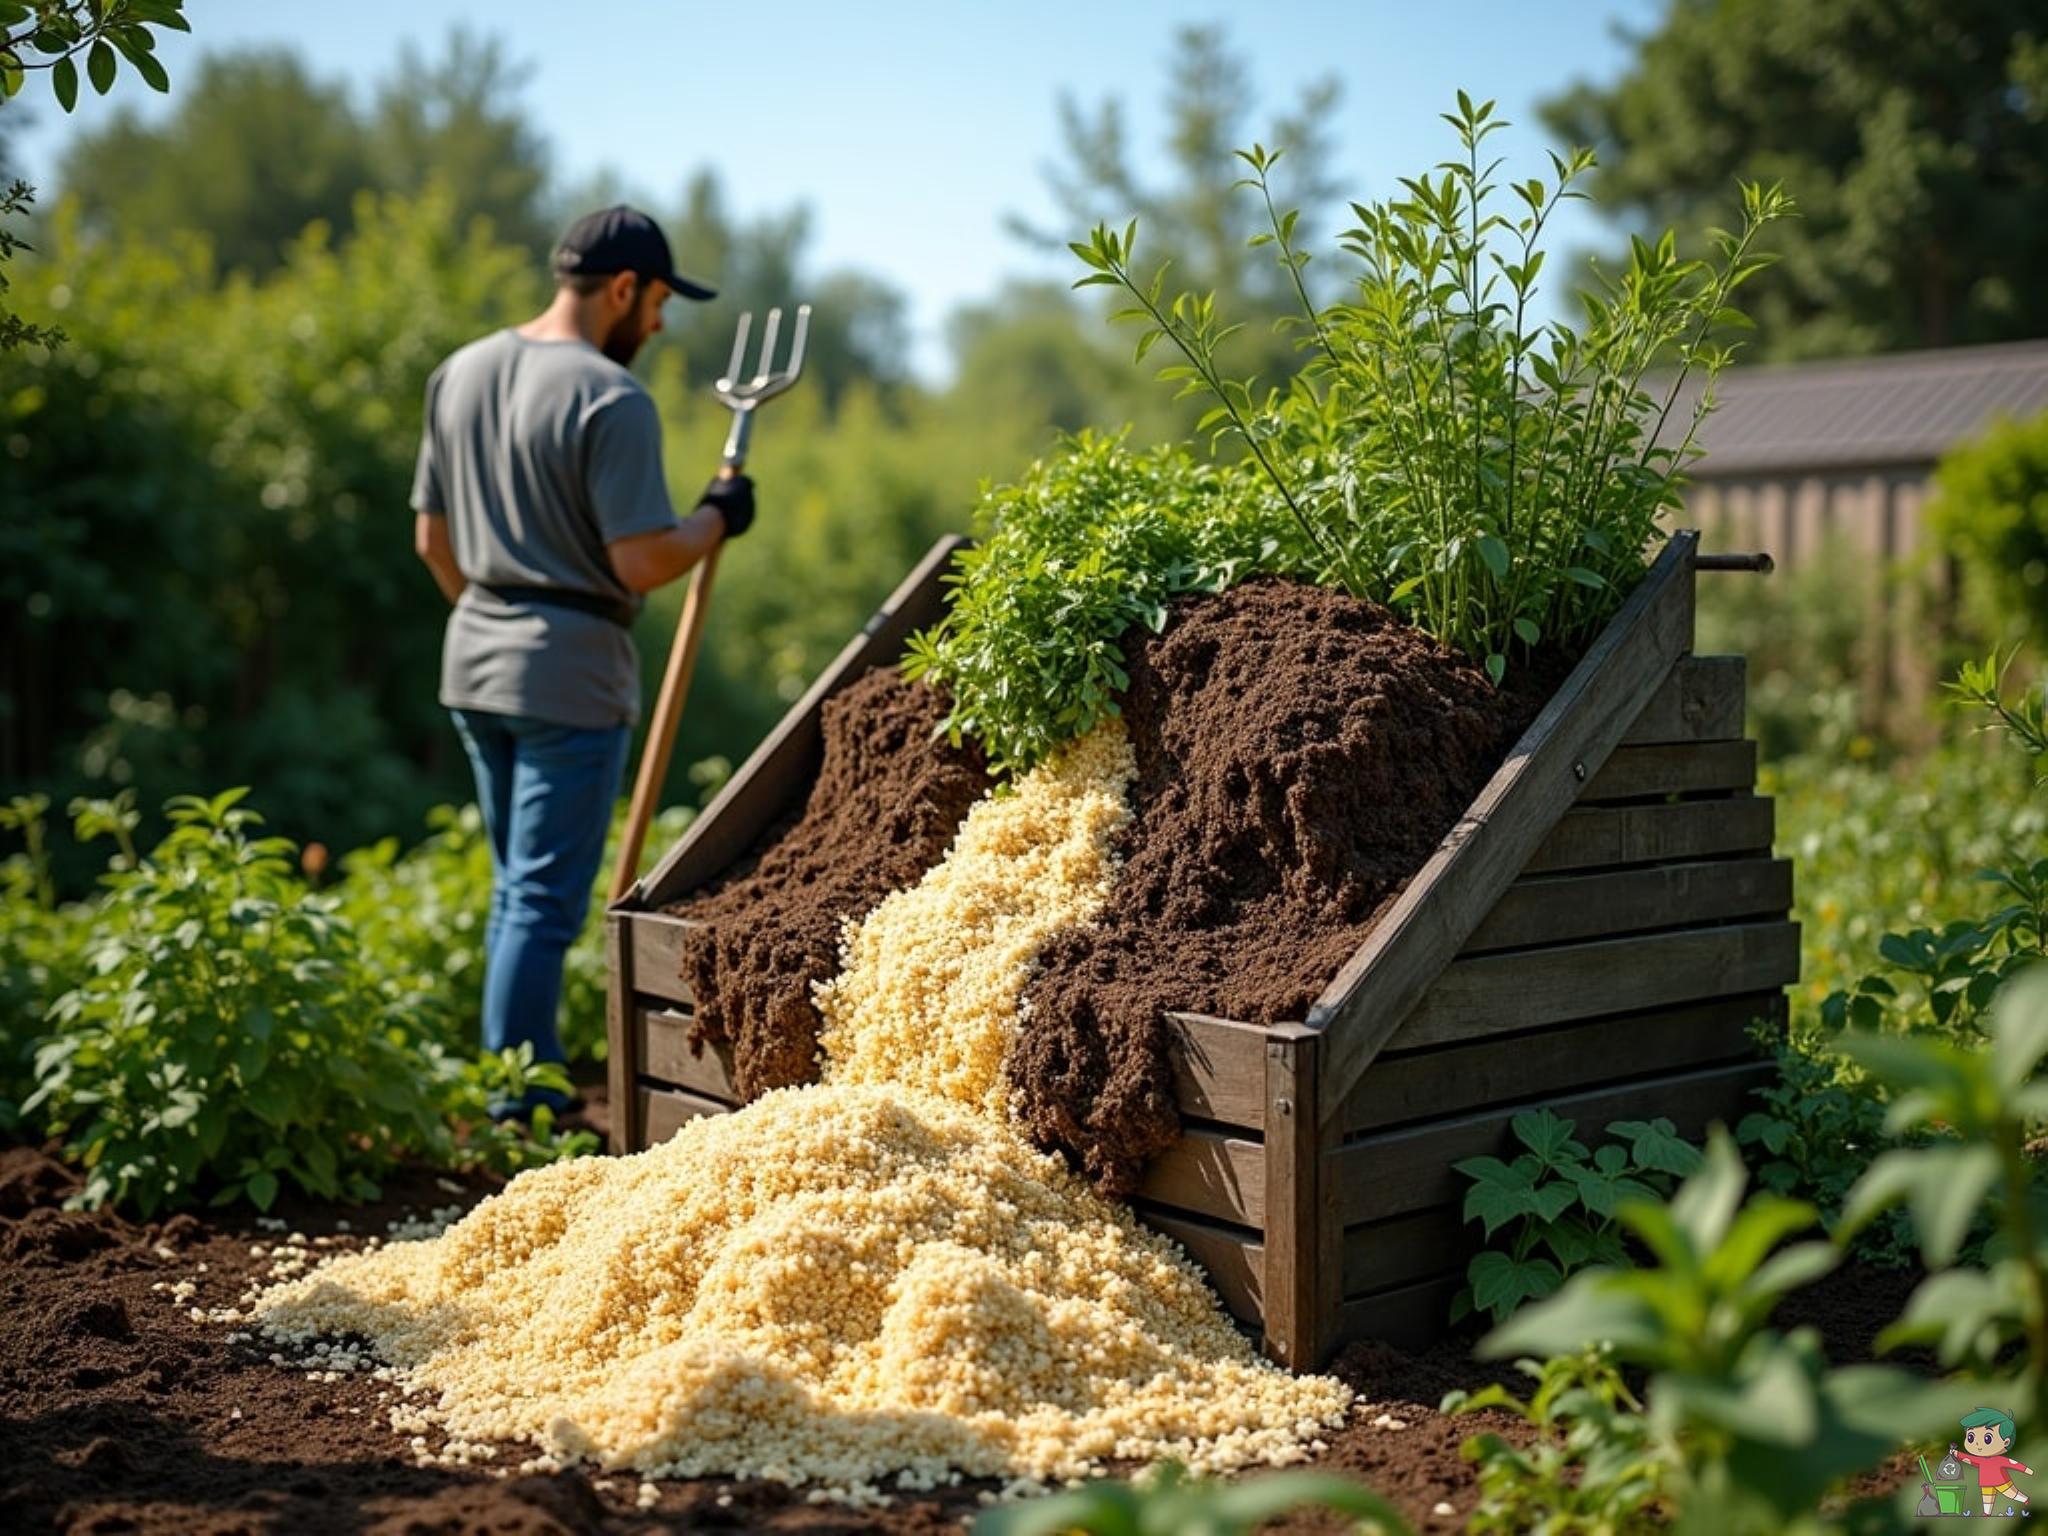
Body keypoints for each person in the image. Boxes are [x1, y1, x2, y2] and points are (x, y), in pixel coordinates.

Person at [409, 204, 756, 1116]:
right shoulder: (609, 396)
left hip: (474, 656)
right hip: (568, 672)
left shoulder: (460, 372)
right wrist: (720, 514)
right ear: (623, 288)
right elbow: (641, 560)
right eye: (657, 303)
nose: (660, 323)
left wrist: (497, 618)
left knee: (514, 889)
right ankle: (521, 1105)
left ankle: (513, 1075)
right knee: (543, 901)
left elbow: (432, 541)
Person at [1956, 1407, 2034, 1517]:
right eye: (1971, 1437)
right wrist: (1956, 1454)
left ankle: (2024, 1499)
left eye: (1987, 1438)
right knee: (1987, 1499)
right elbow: (1968, 1459)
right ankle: (1987, 1512)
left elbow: (2012, 1463)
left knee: (2011, 1493)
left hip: (2001, 1481)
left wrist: (2027, 1470)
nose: (1978, 1444)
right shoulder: (1980, 1459)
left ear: (2006, 1442)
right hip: (1985, 1482)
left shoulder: (1998, 1459)